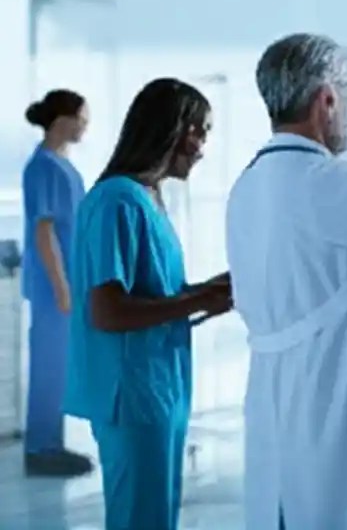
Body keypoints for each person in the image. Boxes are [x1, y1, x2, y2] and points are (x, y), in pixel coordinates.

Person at [225, 34, 347, 529]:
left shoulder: (247, 185)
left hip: (274, 398)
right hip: (332, 399)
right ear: (327, 99)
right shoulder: (323, 181)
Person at [63, 78, 234, 530]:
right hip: (133, 393)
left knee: (157, 515)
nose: (202, 148)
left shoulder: (148, 198)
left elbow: (156, 293)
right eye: (200, 132)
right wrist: (197, 299)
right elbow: (108, 311)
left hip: (160, 387)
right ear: (172, 129)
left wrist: (211, 290)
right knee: (139, 518)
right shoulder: (116, 200)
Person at [20, 89, 93, 477]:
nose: (85, 126)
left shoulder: (62, 165)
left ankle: (52, 443)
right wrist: (61, 288)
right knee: (49, 366)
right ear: (63, 120)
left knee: (61, 366)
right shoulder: (43, 167)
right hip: (53, 288)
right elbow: (44, 231)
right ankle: (41, 448)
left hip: (68, 283)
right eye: (83, 119)